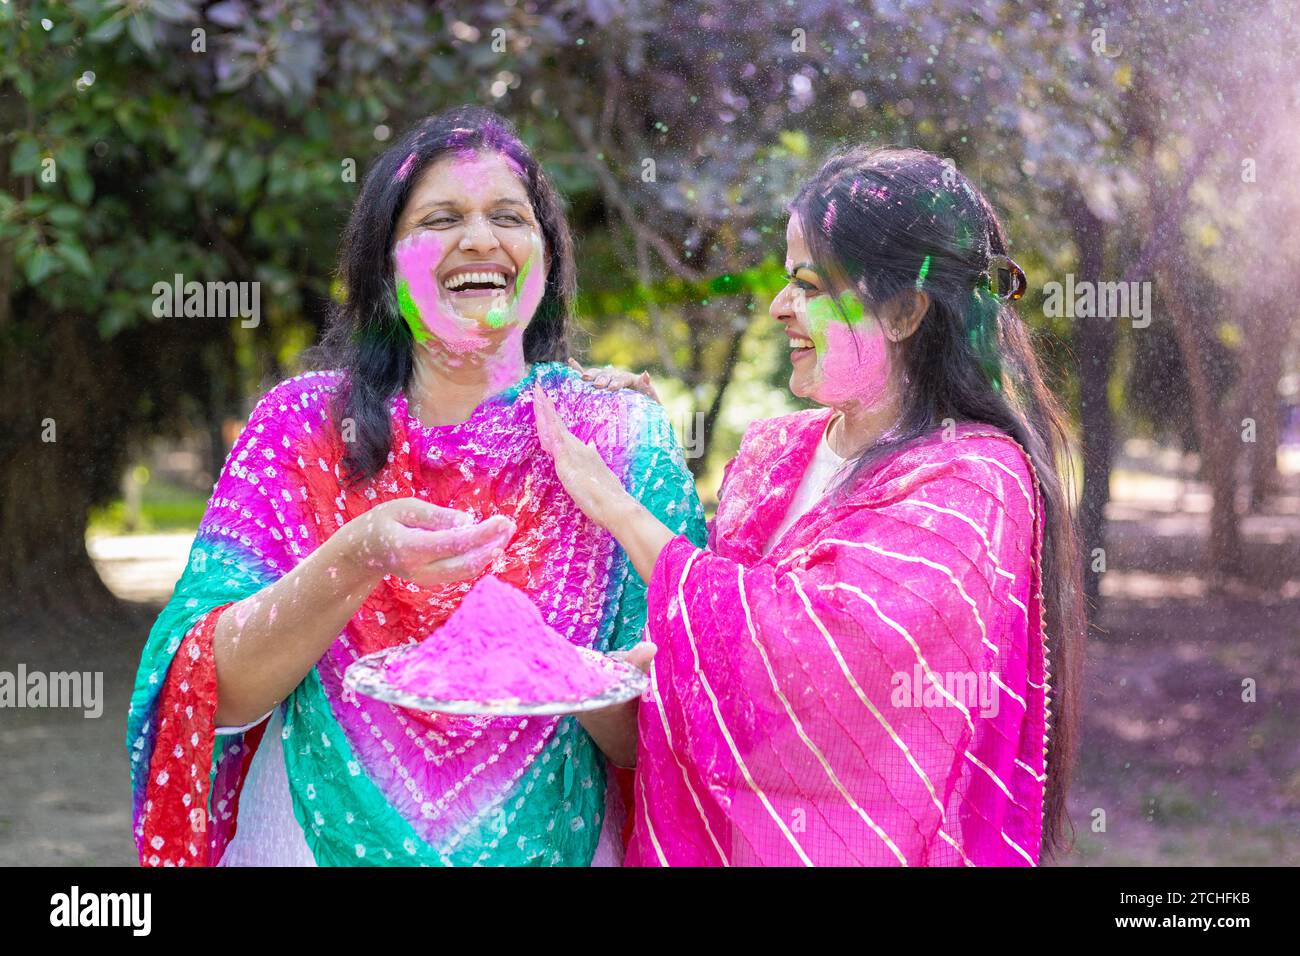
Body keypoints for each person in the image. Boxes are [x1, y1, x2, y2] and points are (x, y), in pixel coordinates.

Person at [125, 106, 705, 867]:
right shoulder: (303, 429)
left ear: (547, 257)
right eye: (442, 218)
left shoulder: (619, 438)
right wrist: (355, 558)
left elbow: (674, 733)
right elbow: (213, 692)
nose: (480, 239)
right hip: (305, 837)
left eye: (509, 216)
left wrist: (572, 672)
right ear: (387, 262)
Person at [537, 146, 1084, 866]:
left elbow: (814, 657)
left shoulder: (974, 478)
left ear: (902, 310)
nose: (778, 306)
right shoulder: (775, 451)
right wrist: (642, 450)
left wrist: (617, 509)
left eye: (807, 284)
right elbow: (700, 630)